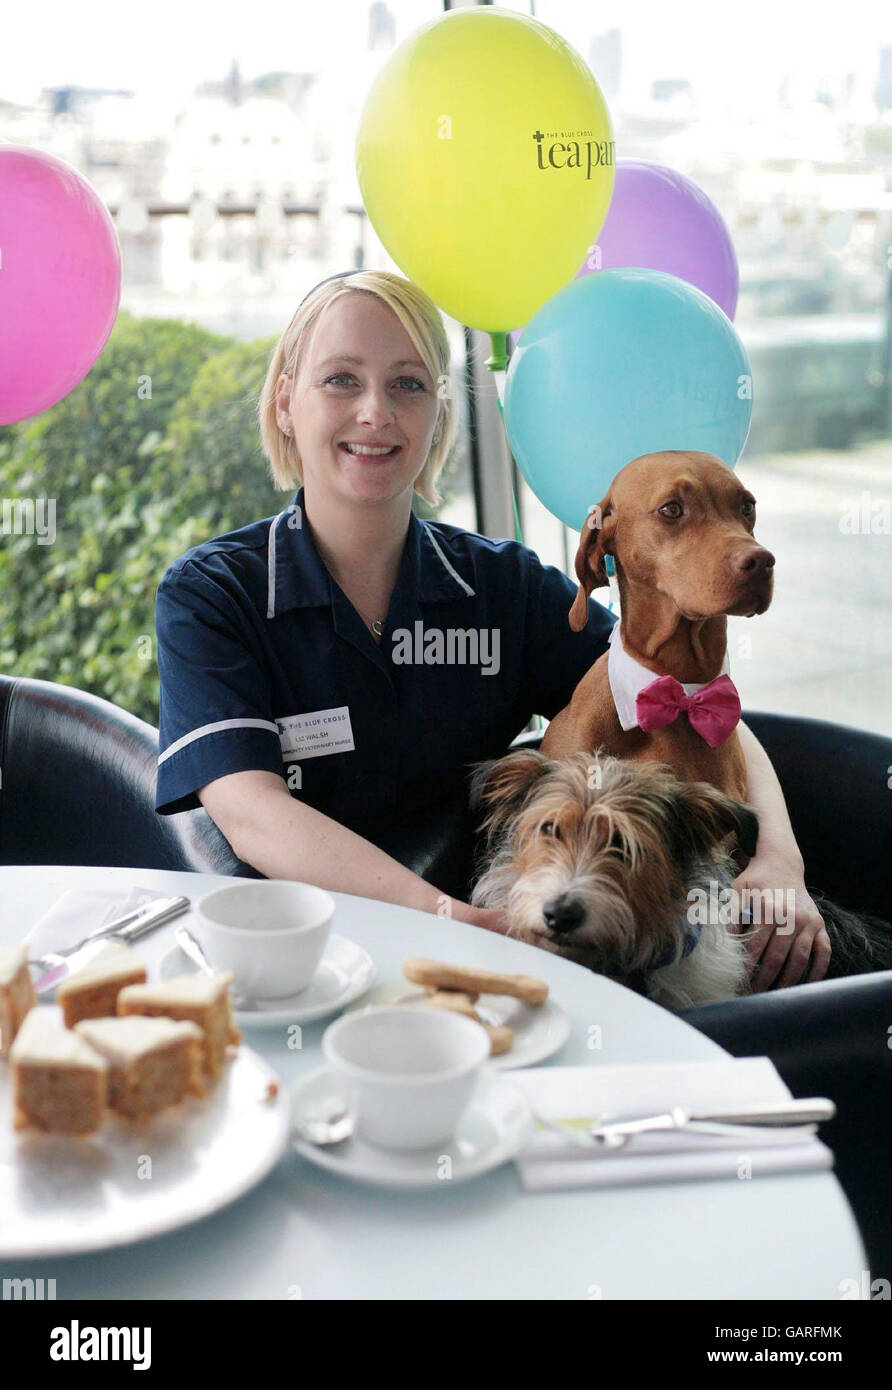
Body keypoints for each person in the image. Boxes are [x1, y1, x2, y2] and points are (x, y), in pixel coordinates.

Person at [154, 270, 829, 989]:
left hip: (493, 952)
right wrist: (443, 917)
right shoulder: (212, 594)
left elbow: (687, 699)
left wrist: (779, 859)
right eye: (341, 380)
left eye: (409, 384)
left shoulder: (502, 588)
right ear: (286, 403)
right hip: (293, 958)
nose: (376, 412)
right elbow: (252, 813)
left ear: (438, 416)